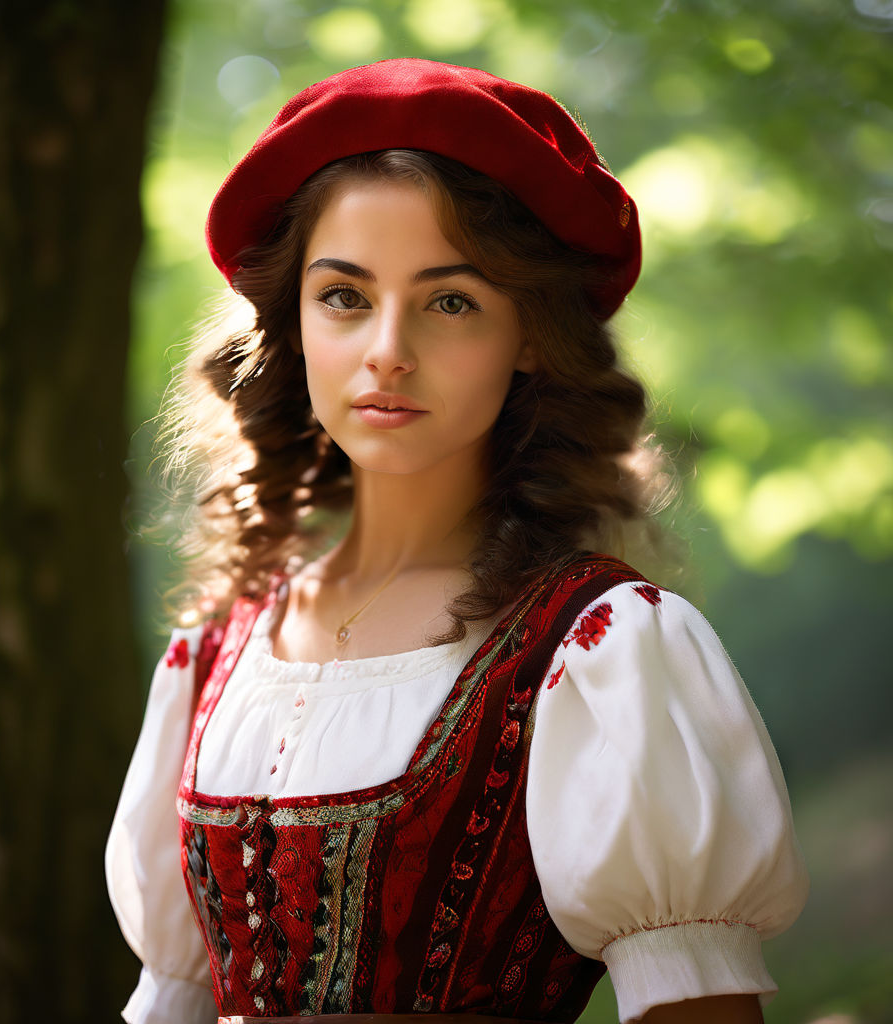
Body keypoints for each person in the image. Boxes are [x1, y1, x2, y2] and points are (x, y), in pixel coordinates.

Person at [105, 59, 808, 1024]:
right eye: (344, 296)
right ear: (293, 322)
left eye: (450, 301)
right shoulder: (213, 656)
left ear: (528, 334)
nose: (387, 347)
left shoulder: (600, 650)